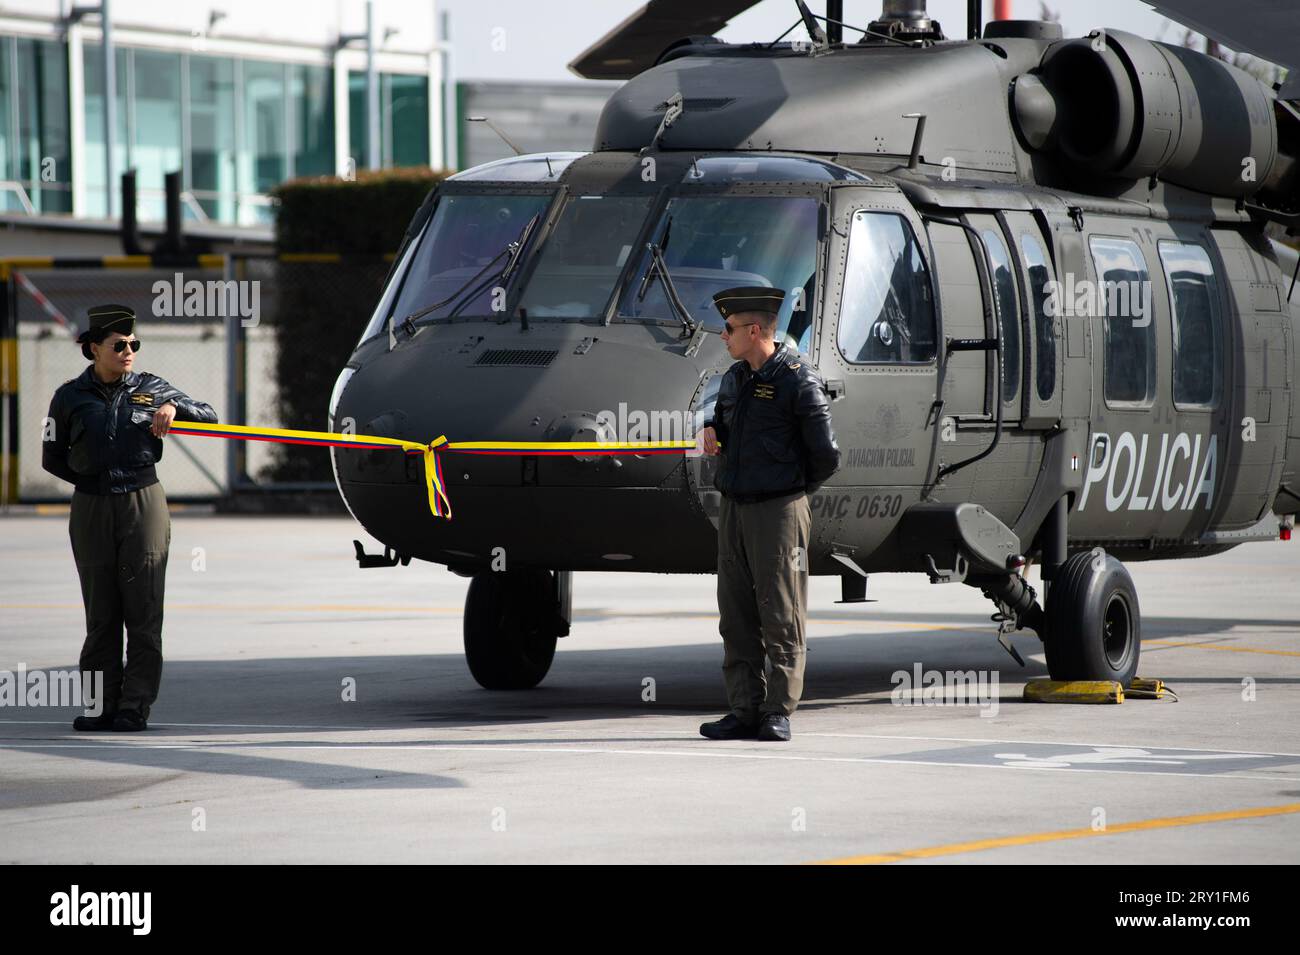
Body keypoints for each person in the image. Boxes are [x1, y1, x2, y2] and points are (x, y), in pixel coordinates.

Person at [42, 304, 218, 732]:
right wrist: (93, 481)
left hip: (143, 500)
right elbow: (52, 457)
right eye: (118, 345)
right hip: (91, 504)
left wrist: (175, 409)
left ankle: (133, 706)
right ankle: (101, 705)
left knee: (143, 609)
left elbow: (209, 414)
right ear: (93, 349)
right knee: (100, 612)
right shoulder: (69, 396)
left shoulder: (152, 388)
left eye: (133, 345)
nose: (128, 352)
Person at [697, 286, 840, 742]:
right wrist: (711, 429)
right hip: (736, 509)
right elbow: (725, 422)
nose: (724, 336)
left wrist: (791, 492)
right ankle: (744, 708)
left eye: (731, 328)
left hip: (779, 510)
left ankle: (778, 710)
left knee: (781, 612)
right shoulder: (735, 379)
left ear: (754, 330)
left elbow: (827, 455)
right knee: (735, 614)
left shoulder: (798, 379)